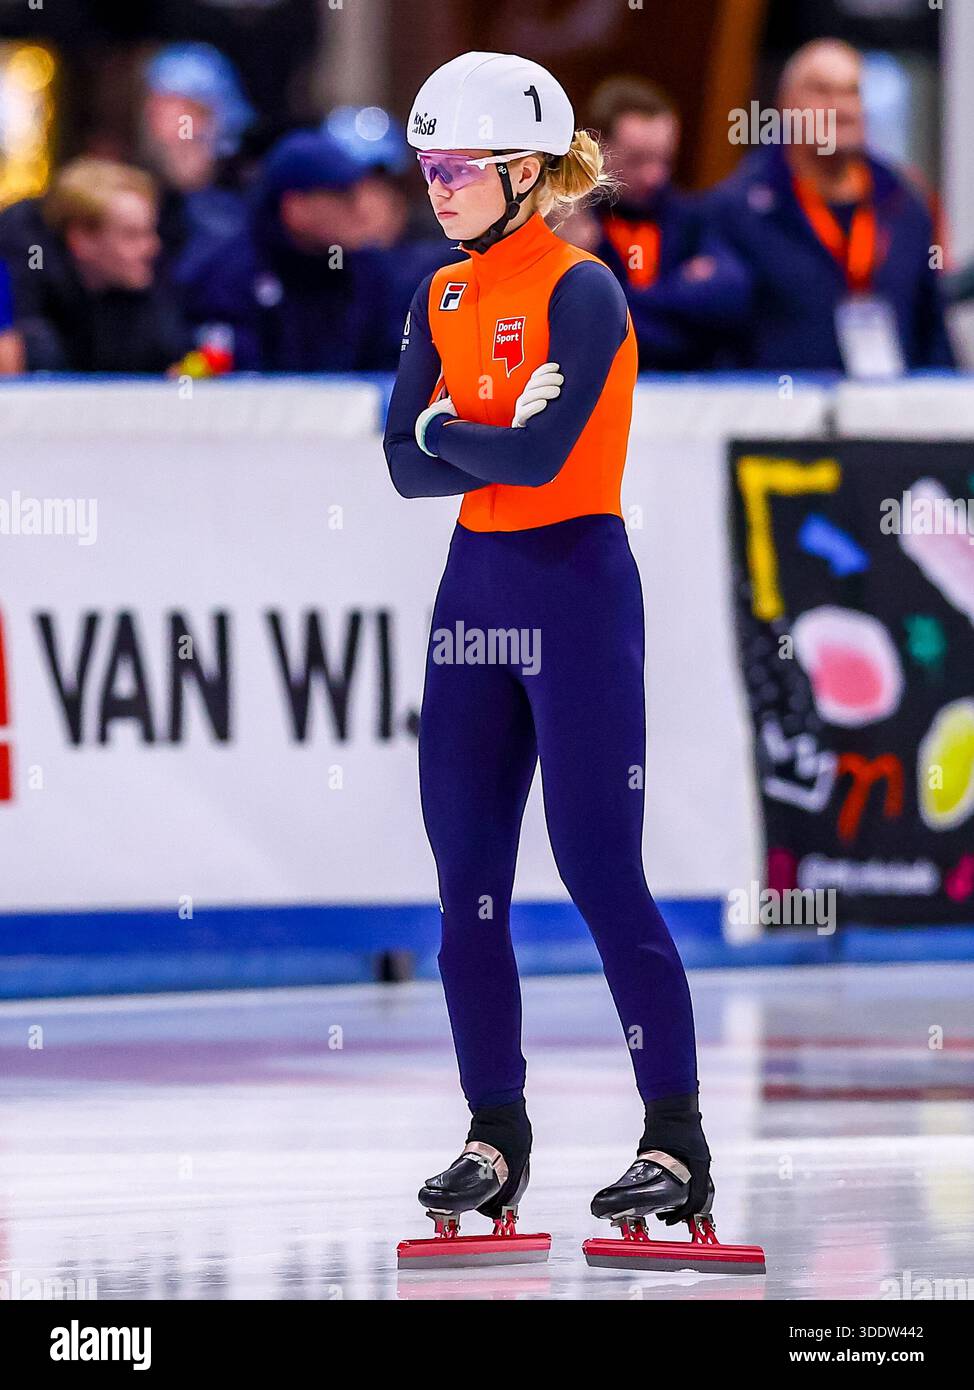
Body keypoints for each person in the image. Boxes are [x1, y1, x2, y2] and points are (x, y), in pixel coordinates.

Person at [384, 51, 714, 1262]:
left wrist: (445, 429)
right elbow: (406, 465)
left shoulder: (583, 289)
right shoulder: (439, 297)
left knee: (595, 866)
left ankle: (673, 1137)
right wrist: (460, 430)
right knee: (464, 882)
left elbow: (538, 462)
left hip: (574, 587)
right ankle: (492, 1132)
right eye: (426, 168)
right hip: (472, 593)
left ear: (525, 171)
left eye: (458, 168)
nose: (437, 188)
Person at [706, 38, 954, 372]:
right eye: (821, 91)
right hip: (775, 416)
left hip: (892, 415)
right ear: (785, 105)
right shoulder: (739, 209)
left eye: (852, 92)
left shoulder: (904, 204)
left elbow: (932, 335)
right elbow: (714, 338)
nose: (840, 108)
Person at [562, 76, 749, 370]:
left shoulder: (693, 218)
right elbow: (586, 322)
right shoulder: (572, 226)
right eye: (637, 160)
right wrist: (679, 296)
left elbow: (730, 300)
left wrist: (628, 303)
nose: (654, 176)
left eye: (664, 161)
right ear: (596, 150)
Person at [183, 128, 398, 372]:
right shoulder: (230, 275)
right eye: (342, 197)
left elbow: (389, 362)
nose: (358, 210)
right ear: (295, 207)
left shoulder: (365, 271)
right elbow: (229, 375)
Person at [0, 159, 189, 374]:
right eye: (132, 235)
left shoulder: (141, 294)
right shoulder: (23, 290)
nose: (152, 248)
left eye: (150, 231)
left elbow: (169, 357)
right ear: (82, 240)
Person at [140, 42, 254, 288]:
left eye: (170, 103)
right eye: (155, 101)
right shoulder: (143, 186)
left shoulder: (243, 191)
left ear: (207, 113)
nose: (153, 111)